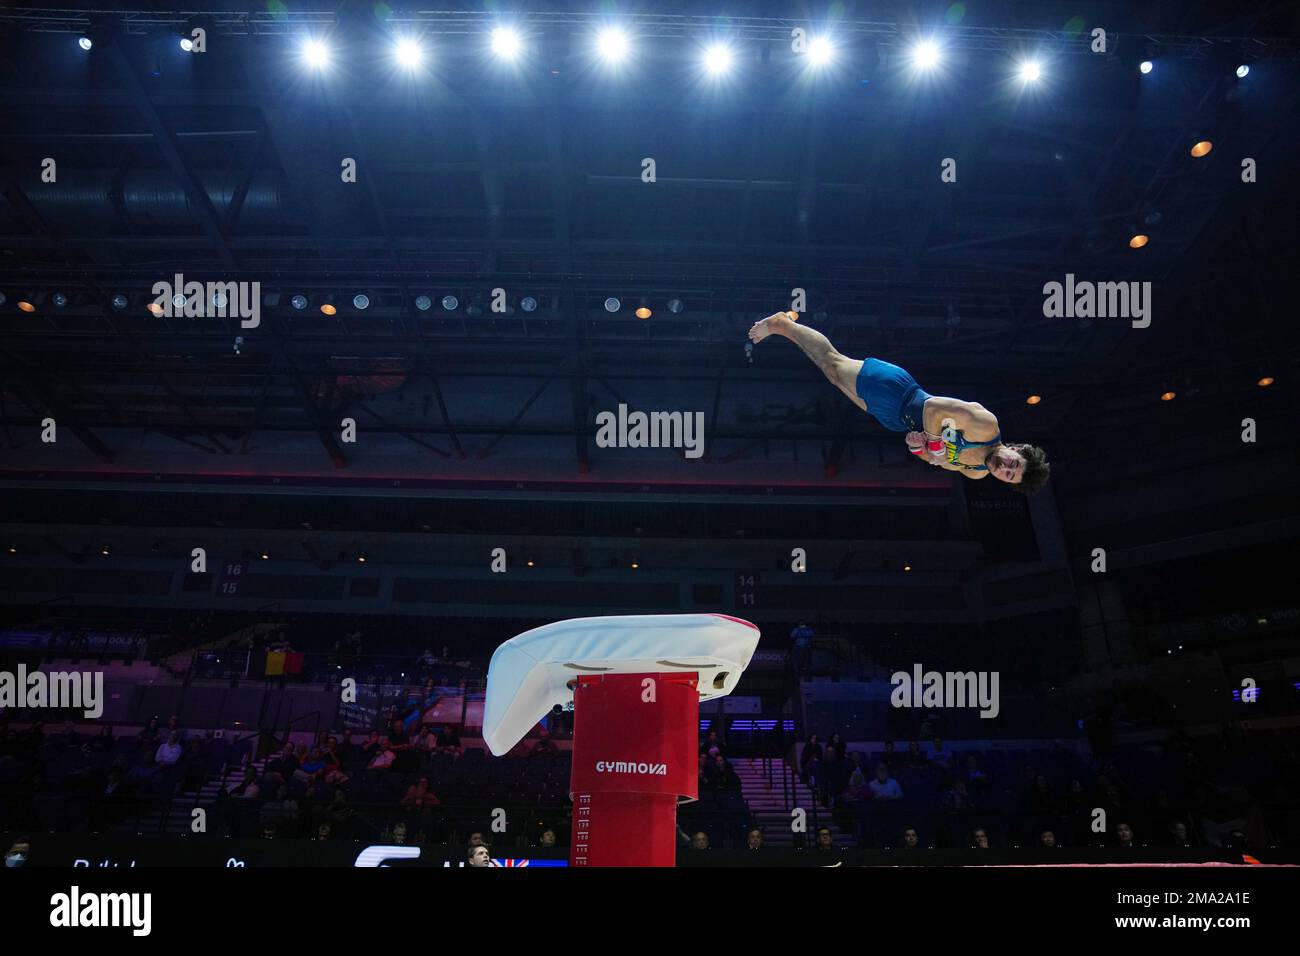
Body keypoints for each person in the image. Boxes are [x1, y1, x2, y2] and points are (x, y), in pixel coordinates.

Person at [748, 311, 1049, 492]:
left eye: (1009, 475)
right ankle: (781, 324)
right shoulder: (986, 427)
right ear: (1017, 449)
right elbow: (934, 408)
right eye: (1013, 463)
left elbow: (936, 459)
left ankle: (787, 327)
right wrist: (933, 441)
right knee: (834, 363)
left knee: (832, 374)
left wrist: (919, 447)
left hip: (895, 419)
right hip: (898, 391)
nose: (1004, 468)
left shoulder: (977, 471)